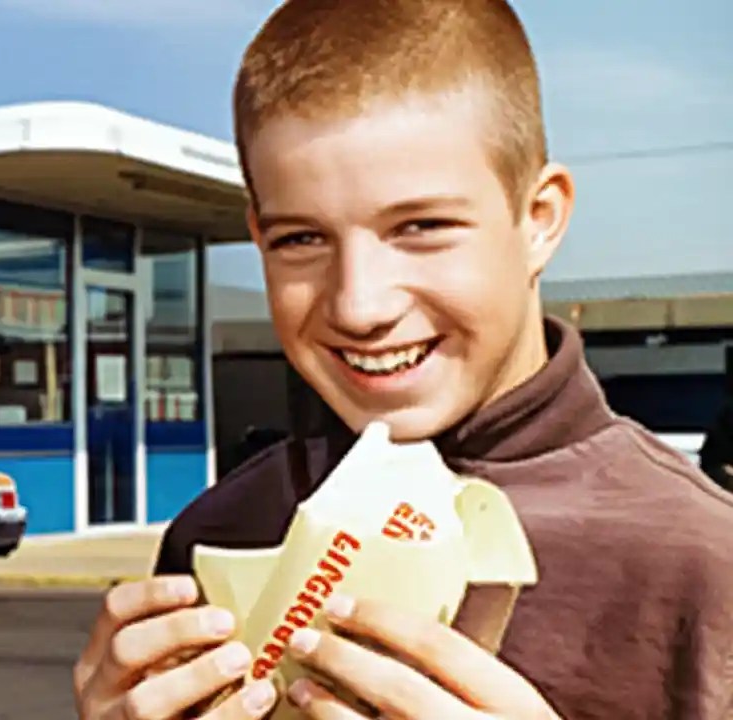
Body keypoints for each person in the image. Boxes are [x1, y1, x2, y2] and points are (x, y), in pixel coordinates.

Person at [72, 1, 733, 718]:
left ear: (538, 220)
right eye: (301, 240)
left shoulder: (703, 565)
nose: (358, 304)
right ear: (258, 239)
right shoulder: (223, 532)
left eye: (422, 227)